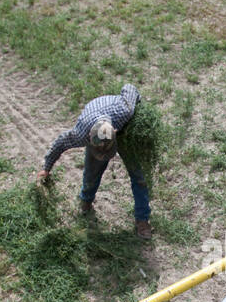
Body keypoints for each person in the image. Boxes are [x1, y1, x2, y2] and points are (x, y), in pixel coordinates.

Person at [36, 86, 151, 238]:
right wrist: (46, 168)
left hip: (122, 130)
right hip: (94, 117)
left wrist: (138, 115)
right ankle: (86, 201)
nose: (103, 156)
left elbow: (130, 88)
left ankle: (142, 220)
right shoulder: (80, 134)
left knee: (139, 177)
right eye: (99, 152)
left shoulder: (125, 111)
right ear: (89, 140)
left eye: (106, 153)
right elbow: (60, 144)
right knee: (92, 173)